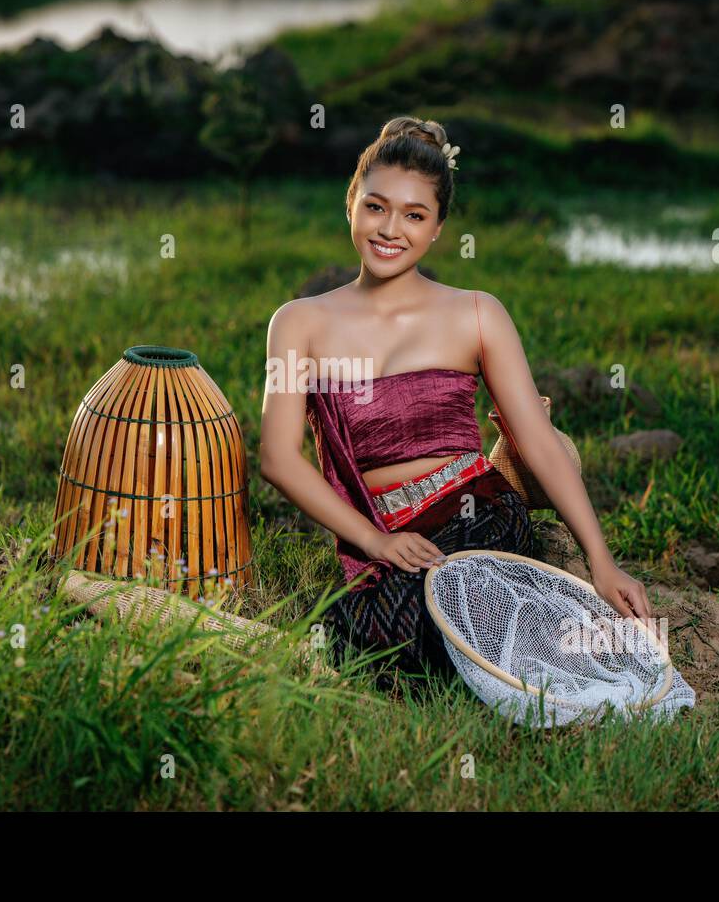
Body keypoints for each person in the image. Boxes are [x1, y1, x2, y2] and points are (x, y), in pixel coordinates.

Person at [258, 115, 654, 686]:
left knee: (432, 624)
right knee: (355, 631)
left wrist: (601, 559)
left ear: (438, 227)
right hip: (385, 532)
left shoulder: (476, 312)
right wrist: (375, 540)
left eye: (415, 215)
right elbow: (278, 458)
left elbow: (537, 442)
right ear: (352, 203)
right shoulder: (298, 323)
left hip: (476, 517)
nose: (390, 229)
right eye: (376, 207)